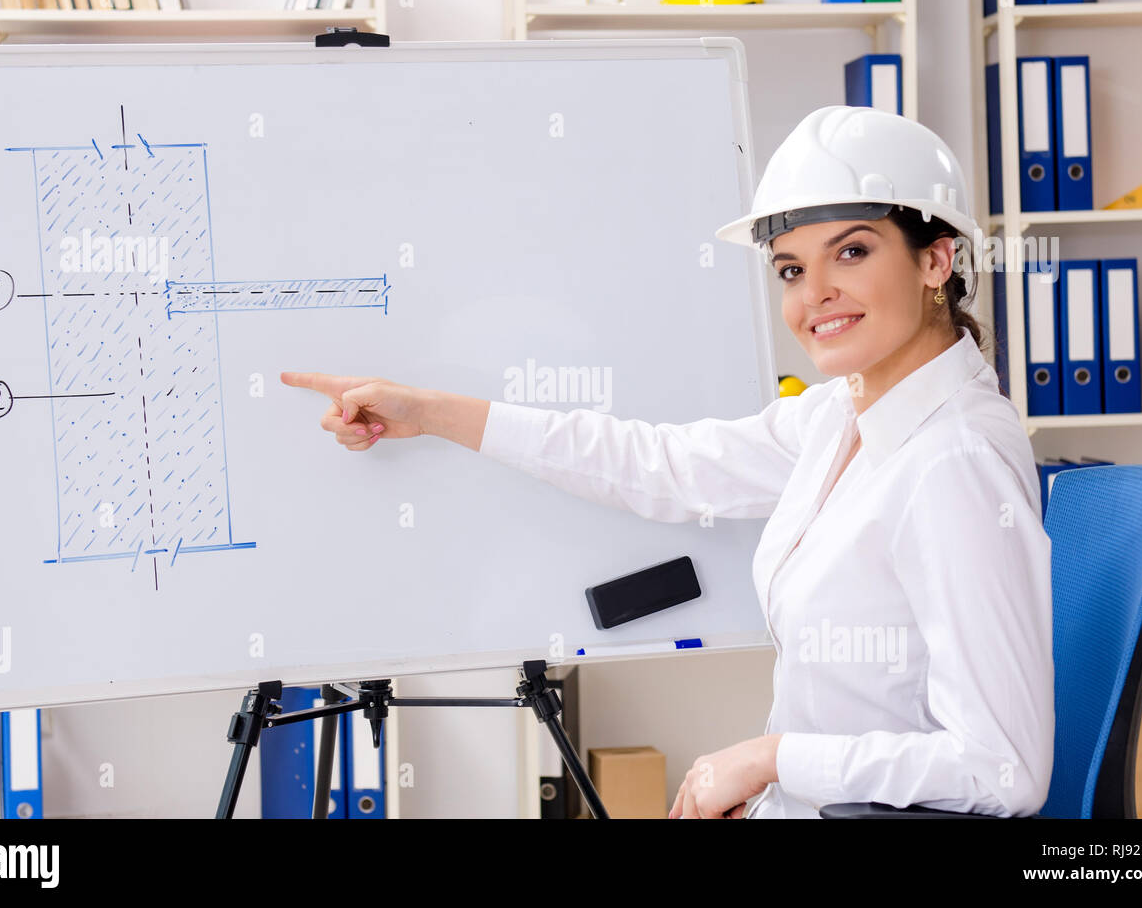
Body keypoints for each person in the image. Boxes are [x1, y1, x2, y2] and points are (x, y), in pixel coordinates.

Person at [281, 105, 1054, 820]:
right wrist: (431, 412)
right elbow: (663, 465)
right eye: (790, 269)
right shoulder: (843, 414)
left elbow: (1002, 772)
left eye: (850, 252)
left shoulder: (954, 461)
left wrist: (770, 759)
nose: (814, 294)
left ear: (936, 261)